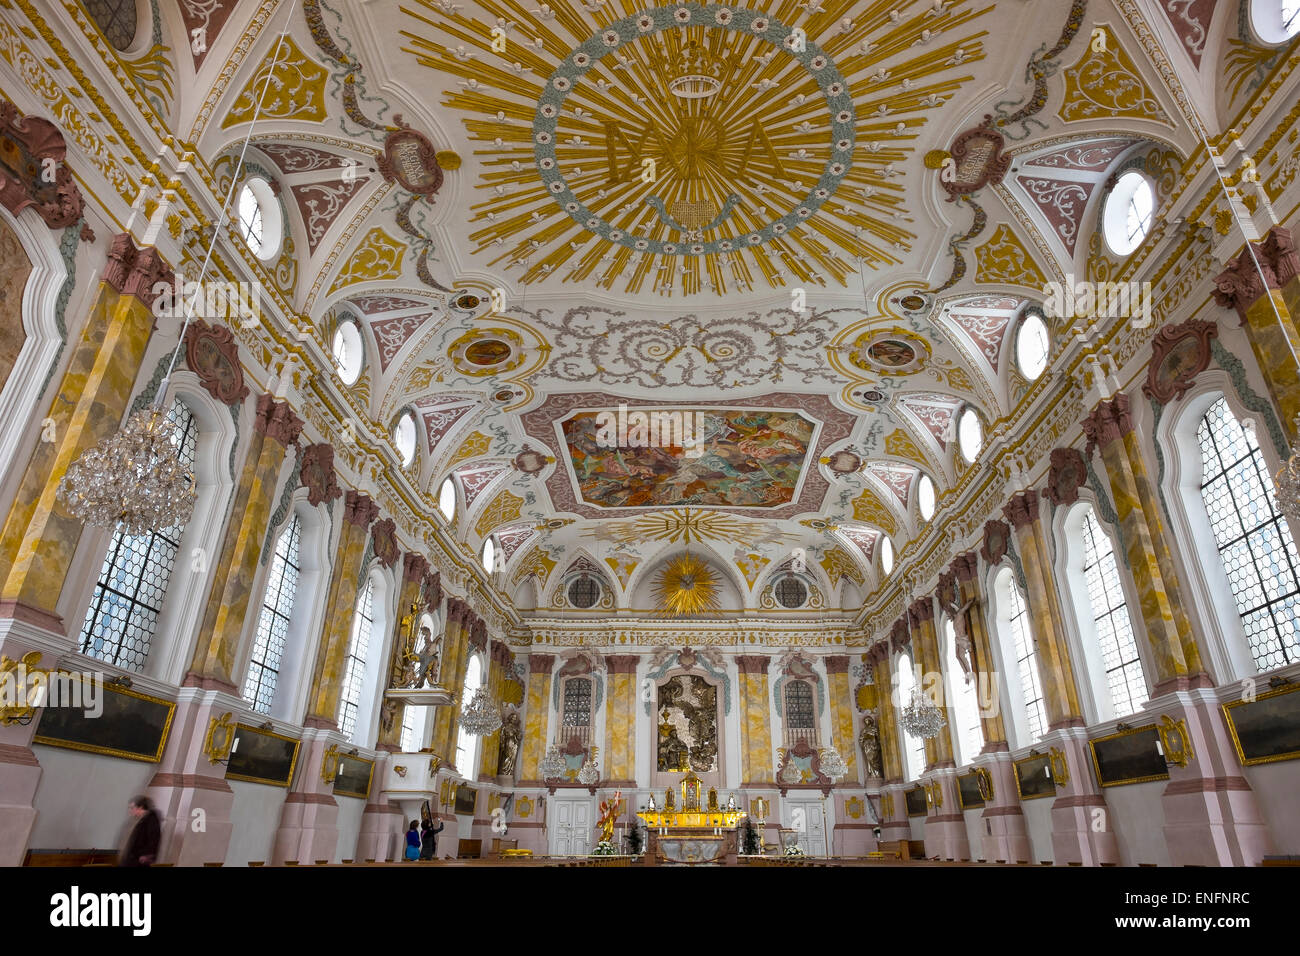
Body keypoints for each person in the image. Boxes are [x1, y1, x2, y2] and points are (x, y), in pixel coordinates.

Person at [119, 795, 160, 867]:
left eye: (132, 808)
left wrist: (146, 855)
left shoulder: (151, 820)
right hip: (132, 860)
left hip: (139, 861)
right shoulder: (141, 820)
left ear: (140, 807)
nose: (130, 811)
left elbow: (154, 840)